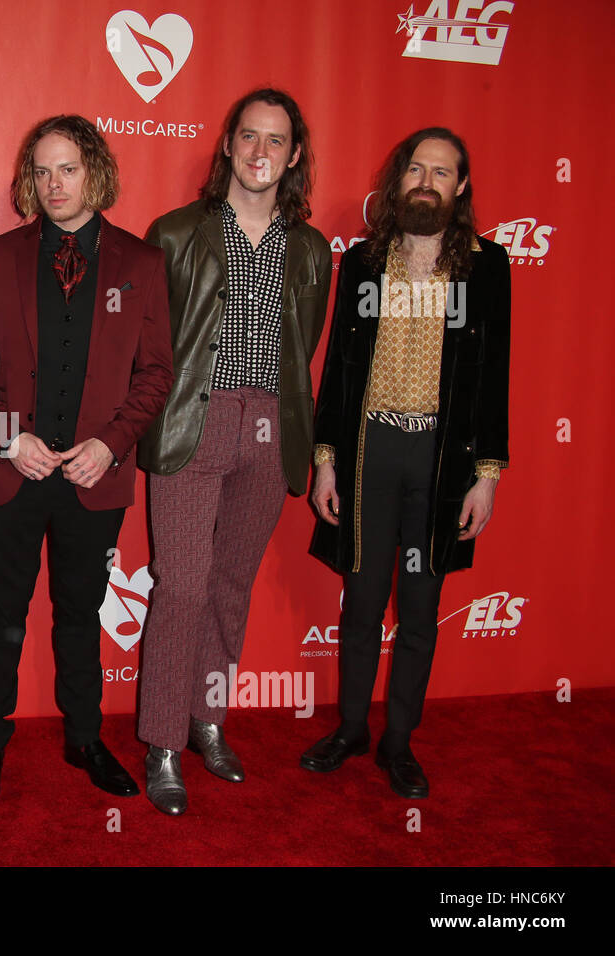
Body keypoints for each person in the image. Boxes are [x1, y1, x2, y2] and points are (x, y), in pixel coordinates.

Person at [0, 115, 173, 803]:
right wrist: (7, 437)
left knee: (80, 615)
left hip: (91, 476)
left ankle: (85, 737)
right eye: (42, 171)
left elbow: (156, 374)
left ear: (94, 172)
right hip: (9, 473)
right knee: (4, 615)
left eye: (68, 169)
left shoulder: (142, 265)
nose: (54, 184)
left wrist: (110, 445)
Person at [134, 89, 332, 815]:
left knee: (230, 587)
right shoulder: (176, 232)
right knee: (181, 584)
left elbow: (304, 348)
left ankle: (206, 719)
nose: (260, 152)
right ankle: (161, 743)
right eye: (248, 136)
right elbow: (150, 346)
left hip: (270, 425)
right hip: (195, 418)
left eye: (276, 141)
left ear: (294, 155)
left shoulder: (310, 249)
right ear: (227, 146)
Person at [300, 128, 510, 799]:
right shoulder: (363, 262)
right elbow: (337, 368)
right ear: (399, 182)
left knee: (419, 606)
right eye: (416, 169)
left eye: (442, 173)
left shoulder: (488, 266)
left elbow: (495, 375)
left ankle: (399, 742)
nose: (427, 182)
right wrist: (326, 462)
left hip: (441, 459)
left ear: (461, 187)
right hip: (370, 451)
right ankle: (353, 729)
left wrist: (487, 474)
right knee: (361, 601)